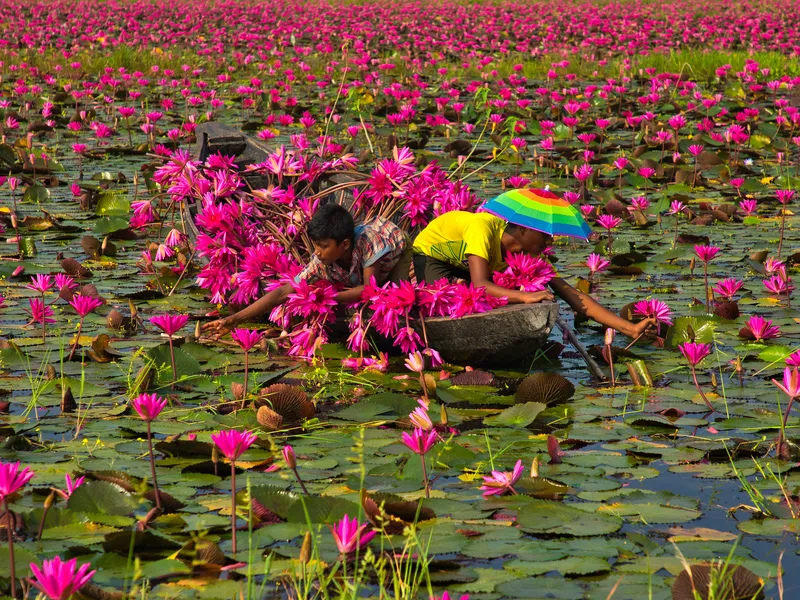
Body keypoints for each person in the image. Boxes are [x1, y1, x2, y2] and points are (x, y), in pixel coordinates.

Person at [412, 210, 654, 338]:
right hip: (432, 257)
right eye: (545, 235)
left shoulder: (534, 255)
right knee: (447, 304)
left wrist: (628, 328)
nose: (550, 240)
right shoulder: (481, 227)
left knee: (498, 299)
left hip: (466, 264)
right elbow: (480, 284)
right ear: (525, 230)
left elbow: (571, 294)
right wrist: (527, 297)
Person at [202, 203, 411, 336]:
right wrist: (233, 320)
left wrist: (328, 297)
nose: (317, 252)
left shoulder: (369, 243)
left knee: (396, 296)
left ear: (344, 245)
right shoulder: (319, 261)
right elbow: (284, 291)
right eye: (316, 245)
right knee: (360, 289)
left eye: (324, 246)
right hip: (363, 263)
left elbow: (369, 290)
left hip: (395, 248)